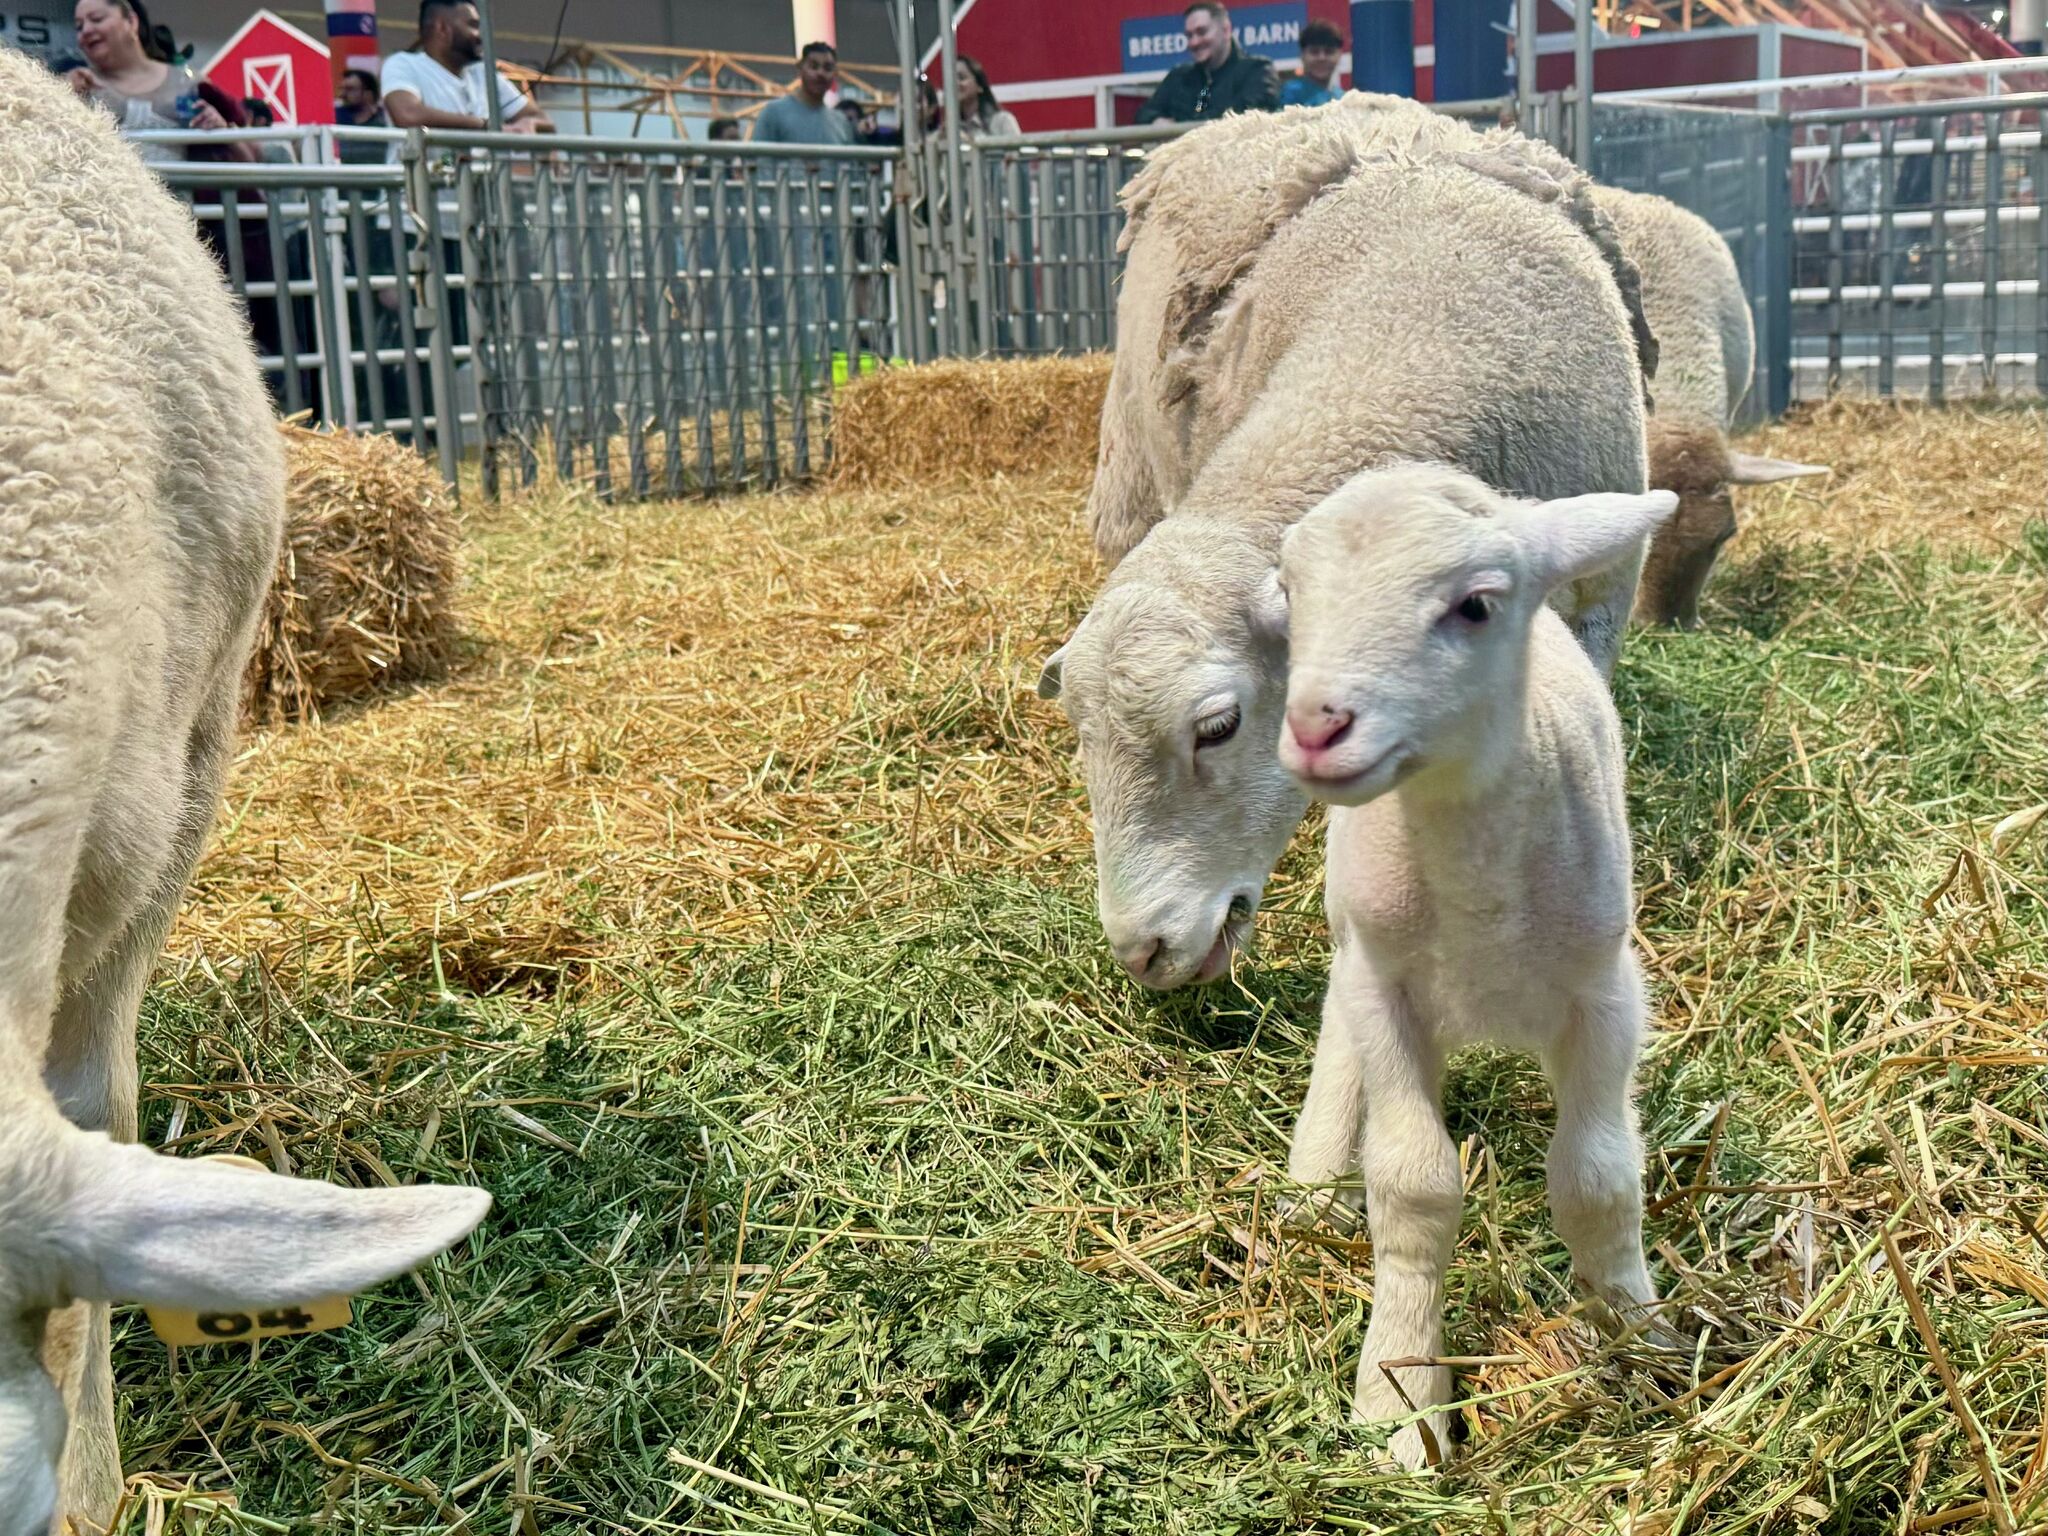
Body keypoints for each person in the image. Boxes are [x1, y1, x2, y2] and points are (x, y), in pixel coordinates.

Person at [67, 0, 258, 164]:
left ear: (131, 21)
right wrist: (64, 94)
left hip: (179, 202)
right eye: (78, 26)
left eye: (97, 19)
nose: (86, 30)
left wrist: (221, 132)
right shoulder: (76, 86)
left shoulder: (190, 84)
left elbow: (251, 165)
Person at [380, 0, 554, 150]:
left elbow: (542, 119)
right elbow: (408, 115)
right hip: (419, 186)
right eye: (473, 25)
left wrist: (530, 124)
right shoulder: (403, 64)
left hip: (480, 186)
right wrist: (488, 126)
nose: (481, 35)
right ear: (442, 29)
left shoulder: (482, 73)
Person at [1136, 3, 1280, 124]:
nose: (1194, 42)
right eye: (1189, 35)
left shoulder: (1258, 71)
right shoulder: (1179, 77)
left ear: (1226, 30)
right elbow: (1143, 115)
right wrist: (1156, 121)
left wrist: (1182, 130)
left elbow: (1245, 116)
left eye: (1202, 32)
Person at [751, 39, 853, 146]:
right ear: (800, 69)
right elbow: (760, 159)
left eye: (827, 68)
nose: (820, 73)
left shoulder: (841, 122)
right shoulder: (773, 113)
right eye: (814, 66)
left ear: (835, 74)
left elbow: (850, 161)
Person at [952, 54, 1019, 139]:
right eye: (951, 79)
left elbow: (1015, 151)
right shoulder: (951, 128)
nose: (955, 83)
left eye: (961, 78)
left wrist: (969, 142)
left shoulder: (1002, 121)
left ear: (979, 86)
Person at [1282, 18, 1344, 107]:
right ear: (1302, 55)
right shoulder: (1290, 93)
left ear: (1339, 55)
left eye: (1329, 51)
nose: (1321, 58)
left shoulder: (1342, 97)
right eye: (1314, 52)